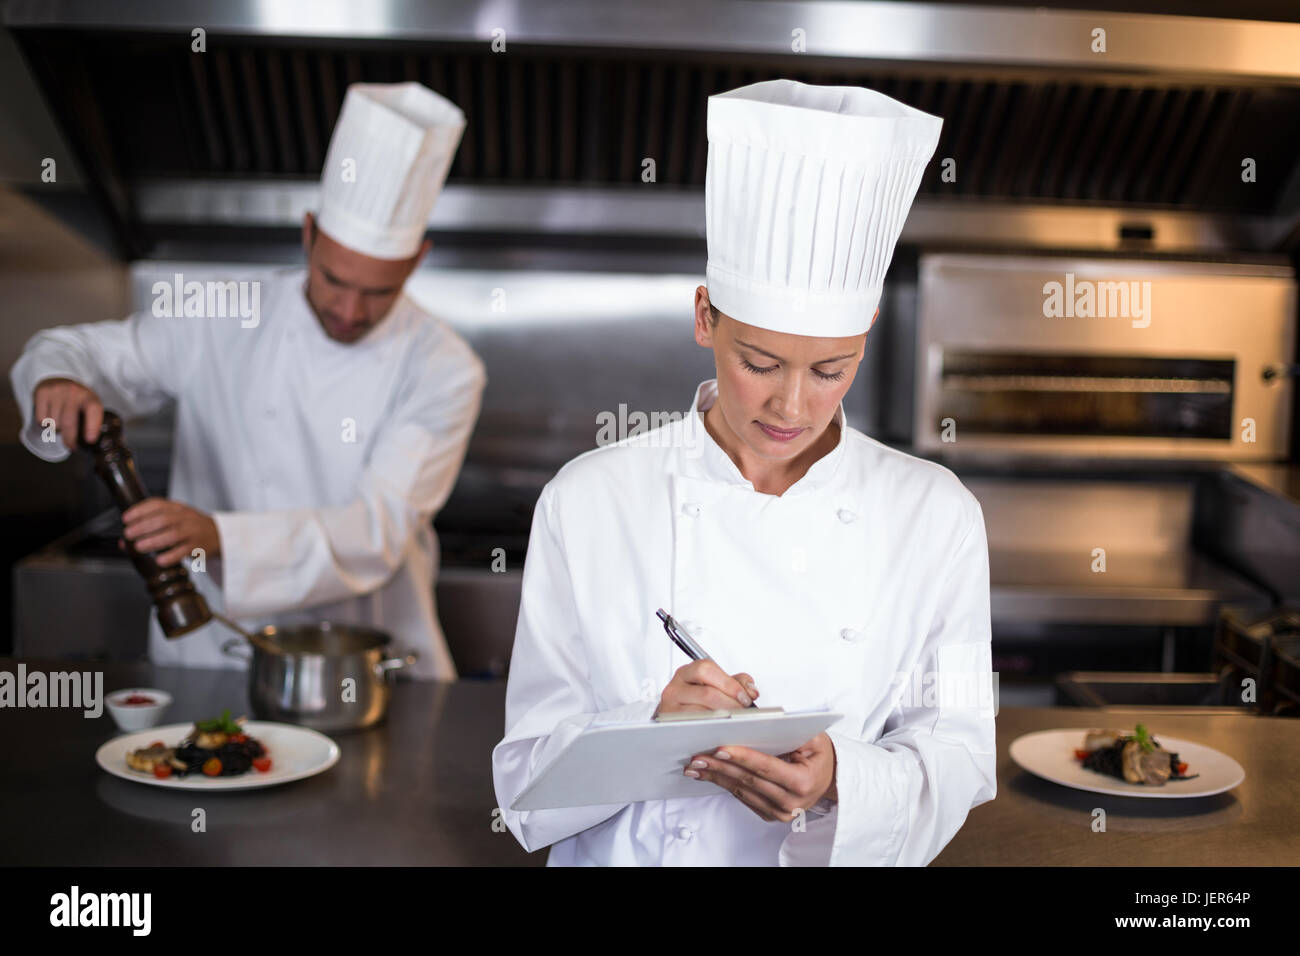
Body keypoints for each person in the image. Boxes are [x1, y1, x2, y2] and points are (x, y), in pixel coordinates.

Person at [492, 79, 996, 865]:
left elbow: (963, 754)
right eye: (760, 362)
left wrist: (842, 780)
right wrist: (644, 726)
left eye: (831, 369)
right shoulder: (588, 500)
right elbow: (523, 789)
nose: (793, 405)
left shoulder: (938, 514)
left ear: (865, 331)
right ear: (704, 317)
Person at [10, 82, 485, 679]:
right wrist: (60, 380)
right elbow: (78, 351)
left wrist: (221, 537)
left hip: (364, 665)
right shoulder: (223, 312)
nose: (351, 311)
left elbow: (377, 530)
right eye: (334, 279)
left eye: (380, 291)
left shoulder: (443, 366)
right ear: (308, 234)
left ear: (418, 261)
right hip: (212, 652)